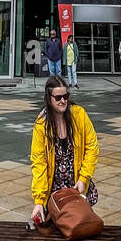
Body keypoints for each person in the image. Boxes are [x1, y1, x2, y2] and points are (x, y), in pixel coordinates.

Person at [30, 76, 98, 225]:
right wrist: (39, 200)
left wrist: (83, 178)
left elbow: (92, 147)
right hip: (55, 191)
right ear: (49, 99)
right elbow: (39, 162)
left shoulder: (79, 115)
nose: (63, 101)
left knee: (80, 226)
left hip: (77, 185)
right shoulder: (42, 124)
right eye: (58, 97)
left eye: (66, 96)